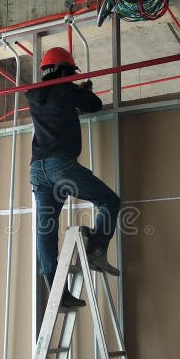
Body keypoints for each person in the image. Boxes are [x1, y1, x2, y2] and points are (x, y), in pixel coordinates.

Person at [26, 47, 121, 308]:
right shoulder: (67, 90)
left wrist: (76, 92)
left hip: (37, 170)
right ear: (65, 70)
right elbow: (94, 105)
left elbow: (58, 108)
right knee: (109, 201)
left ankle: (57, 293)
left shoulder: (32, 94)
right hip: (60, 167)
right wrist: (83, 91)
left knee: (45, 230)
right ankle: (96, 251)